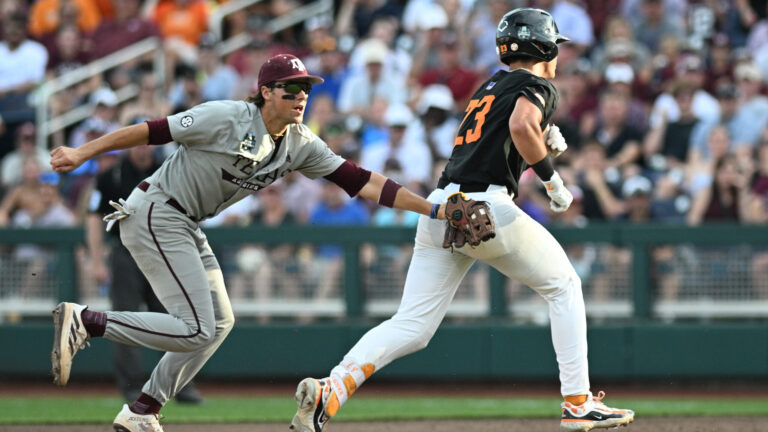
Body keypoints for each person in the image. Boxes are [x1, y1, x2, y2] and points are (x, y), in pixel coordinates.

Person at [48, 53, 449, 432]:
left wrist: (431, 209)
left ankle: (143, 411)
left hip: (185, 221)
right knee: (197, 328)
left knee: (219, 323)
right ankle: (87, 322)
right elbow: (152, 130)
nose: (301, 97)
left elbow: (360, 180)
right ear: (267, 91)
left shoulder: (299, 142)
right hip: (155, 209)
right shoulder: (227, 116)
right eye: (291, 89)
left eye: (306, 88)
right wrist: (84, 152)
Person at [289, 9, 635, 432]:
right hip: (486, 208)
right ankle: (578, 402)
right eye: (555, 47)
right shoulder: (538, 83)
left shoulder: (488, 85)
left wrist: (541, 146)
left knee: (412, 325)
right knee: (564, 286)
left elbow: (498, 148)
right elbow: (521, 124)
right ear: (545, 47)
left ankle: (332, 389)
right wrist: (552, 178)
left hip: (442, 206)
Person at [86, 144, 203, 404]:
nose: (142, 148)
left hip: (162, 252)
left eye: (147, 142)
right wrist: (96, 260)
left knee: (176, 318)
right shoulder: (111, 176)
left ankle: (179, 384)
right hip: (126, 253)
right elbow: (94, 218)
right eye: (137, 141)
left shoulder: (168, 170)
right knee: (126, 315)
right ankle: (131, 385)